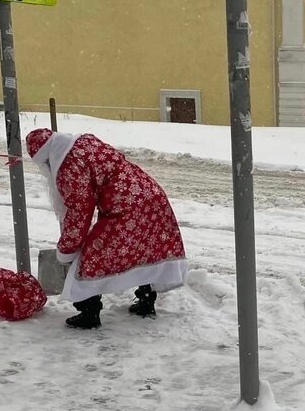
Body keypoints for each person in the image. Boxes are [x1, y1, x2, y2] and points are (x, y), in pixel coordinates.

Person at [27, 128, 187, 329]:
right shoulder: (84, 143)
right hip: (151, 195)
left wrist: (67, 249)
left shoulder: (68, 166)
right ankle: (146, 301)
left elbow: (80, 211)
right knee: (147, 250)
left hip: (126, 207)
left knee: (91, 258)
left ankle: (89, 313)